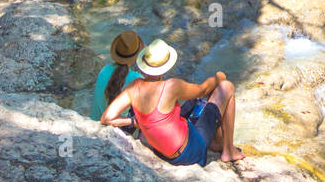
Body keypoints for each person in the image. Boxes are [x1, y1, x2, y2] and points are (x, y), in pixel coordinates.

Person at [100, 38, 243, 166]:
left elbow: (107, 118)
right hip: (188, 153)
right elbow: (203, 89)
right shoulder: (171, 86)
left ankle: (217, 142)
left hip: (160, 150)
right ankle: (229, 151)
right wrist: (219, 77)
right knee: (226, 87)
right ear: (165, 67)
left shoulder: (134, 86)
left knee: (197, 100)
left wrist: (132, 121)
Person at [90, 30, 145, 121]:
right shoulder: (137, 79)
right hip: (116, 127)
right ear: (137, 55)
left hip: (94, 120)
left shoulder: (104, 69)